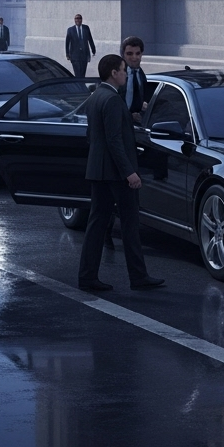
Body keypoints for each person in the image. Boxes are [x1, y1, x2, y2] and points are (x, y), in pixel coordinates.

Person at [78, 53, 164, 292]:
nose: (126, 74)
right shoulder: (114, 100)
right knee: (130, 224)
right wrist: (130, 173)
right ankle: (138, 276)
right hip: (117, 173)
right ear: (114, 73)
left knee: (96, 224)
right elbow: (115, 140)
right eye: (123, 70)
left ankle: (87, 276)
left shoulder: (96, 96)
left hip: (98, 170)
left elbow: (93, 135)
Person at [121, 36, 149, 122]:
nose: (134, 58)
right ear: (123, 55)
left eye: (137, 53)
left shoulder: (141, 74)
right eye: (129, 54)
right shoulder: (116, 74)